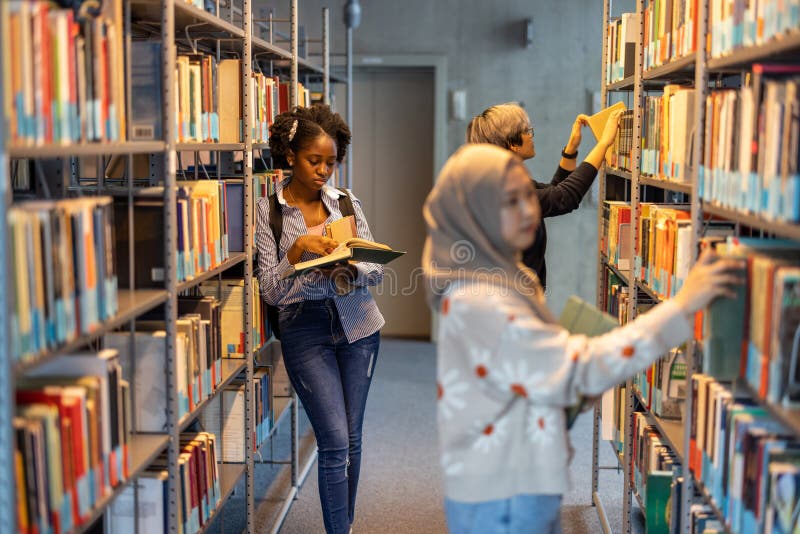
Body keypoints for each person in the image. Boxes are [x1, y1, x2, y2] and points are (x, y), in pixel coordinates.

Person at [422, 143, 742, 534]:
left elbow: (530, 378)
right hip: (504, 493)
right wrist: (682, 307)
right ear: (475, 212)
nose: (528, 210)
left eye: (528, 194)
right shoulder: (480, 301)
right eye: (510, 201)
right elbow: (579, 367)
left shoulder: (495, 278)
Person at [255, 104, 383, 534]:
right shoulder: (266, 212)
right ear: (291, 156)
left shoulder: (346, 203)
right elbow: (270, 290)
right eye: (315, 161)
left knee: (352, 438)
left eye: (331, 162)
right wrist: (296, 255)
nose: (325, 170)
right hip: (304, 329)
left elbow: (376, 269)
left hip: (358, 323)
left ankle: (342, 526)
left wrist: (350, 269)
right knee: (332, 440)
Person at [466, 103, 597, 290]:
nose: (531, 136)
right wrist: (603, 145)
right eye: (527, 131)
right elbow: (565, 198)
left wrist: (572, 147)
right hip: (510, 299)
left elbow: (555, 191)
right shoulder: (505, 194)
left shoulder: (508, 183)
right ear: (512, 143)